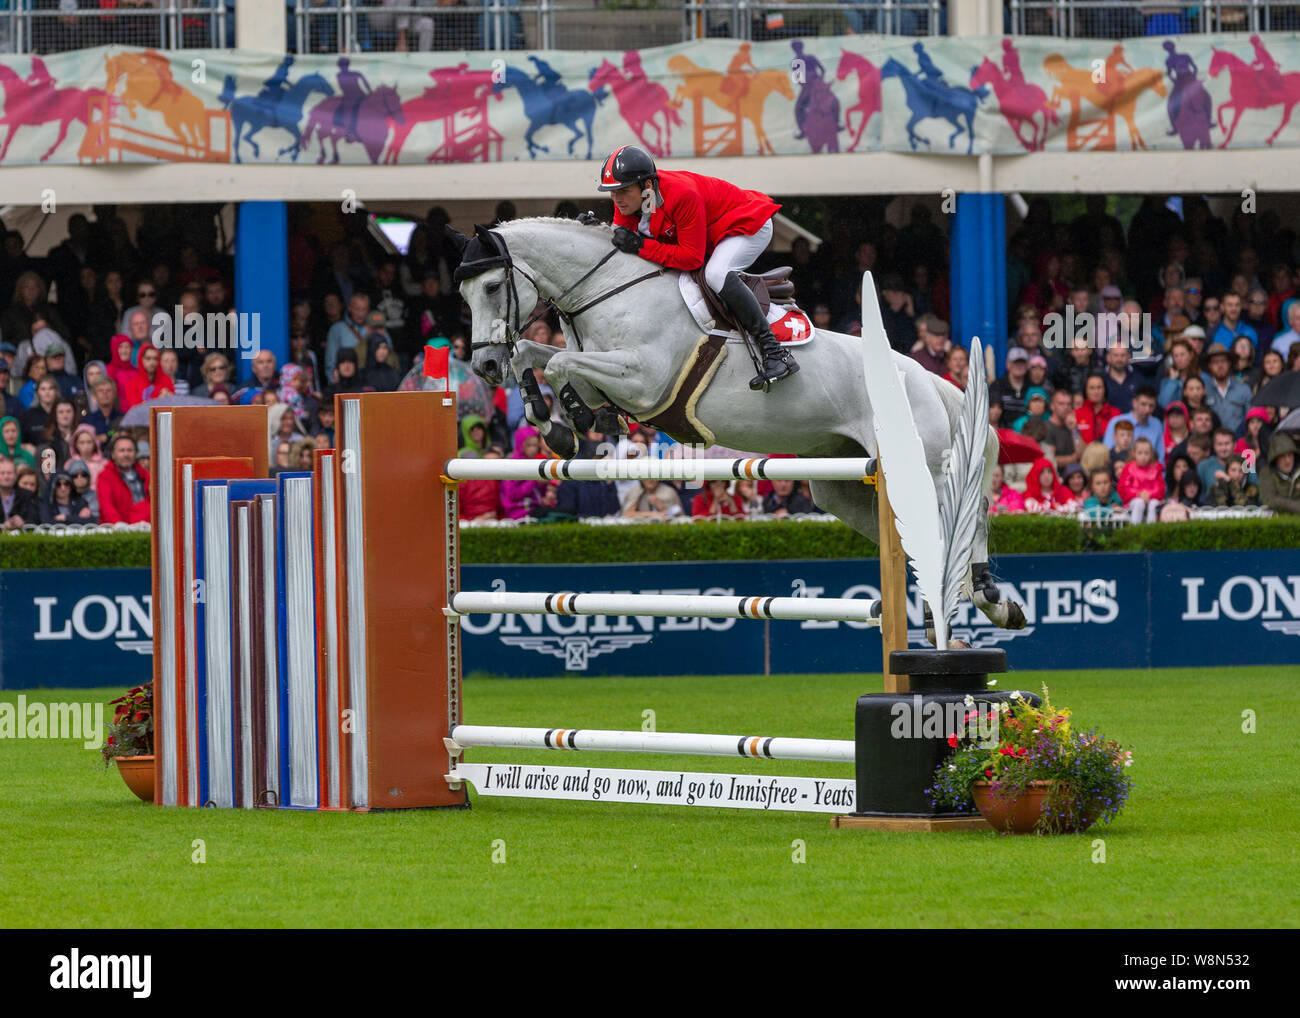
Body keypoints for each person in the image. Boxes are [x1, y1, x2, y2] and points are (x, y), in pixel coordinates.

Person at [594, 144, 795, 390]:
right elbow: (623, 237)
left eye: (623, 191)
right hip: (714, 232)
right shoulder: (638, 197)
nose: (617, 199)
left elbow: (691, 258)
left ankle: (775, 353)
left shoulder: (681, 194)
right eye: (613, 192)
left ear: (646, 186)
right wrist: (597, 233)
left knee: (716, 274)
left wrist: (639, 246)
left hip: (748, 224)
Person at [97, 433, 151, 524]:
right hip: (118, 531)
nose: (126, 454)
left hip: (147, 529)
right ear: (113, 455)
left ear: (136, 454)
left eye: (130, 450)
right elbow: (107, 507)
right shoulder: (105, 477)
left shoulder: (146, 475)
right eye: (122, 450)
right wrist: (120, 526)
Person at [1201, 342, 1252, 435]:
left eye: (1223, 361)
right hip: (1210, 443)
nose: (1220, 366)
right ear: (1209, 366)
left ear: (1229, 363)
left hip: (1238, 441)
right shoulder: (1203, 389)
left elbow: (1250, 419)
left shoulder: (1243, 389)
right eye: (1215, 362)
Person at [1118, 438, 1165, 523]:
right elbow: (1123, 488)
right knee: (1139, 503)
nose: (1143, 456)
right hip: (1134, 500)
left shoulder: (1156, 468)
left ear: (1151, 454)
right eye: (1140, 453)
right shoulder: (1128, 468)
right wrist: (1138, 494)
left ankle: (1151, 530)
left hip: (1152, 498)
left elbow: (1160, 488)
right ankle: (1135, 530)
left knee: (1153, 504)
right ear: (1134, 453)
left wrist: (1149, 495)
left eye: (1146, 453)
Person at [1259, 431, 1300, 514]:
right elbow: (1269, 499)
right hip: (1277, 521)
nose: (1287, 460)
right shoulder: (1266, 473)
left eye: (1290, 455)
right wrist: (1297, 507)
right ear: (1275, 458)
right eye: (1283, 456)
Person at [0, 456, 38, 530]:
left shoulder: (27, 495)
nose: (6, 476)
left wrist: (23, 523)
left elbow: (35, 520)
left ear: (15, 476)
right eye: (2, 473)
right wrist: (2, 527)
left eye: (9, 473)